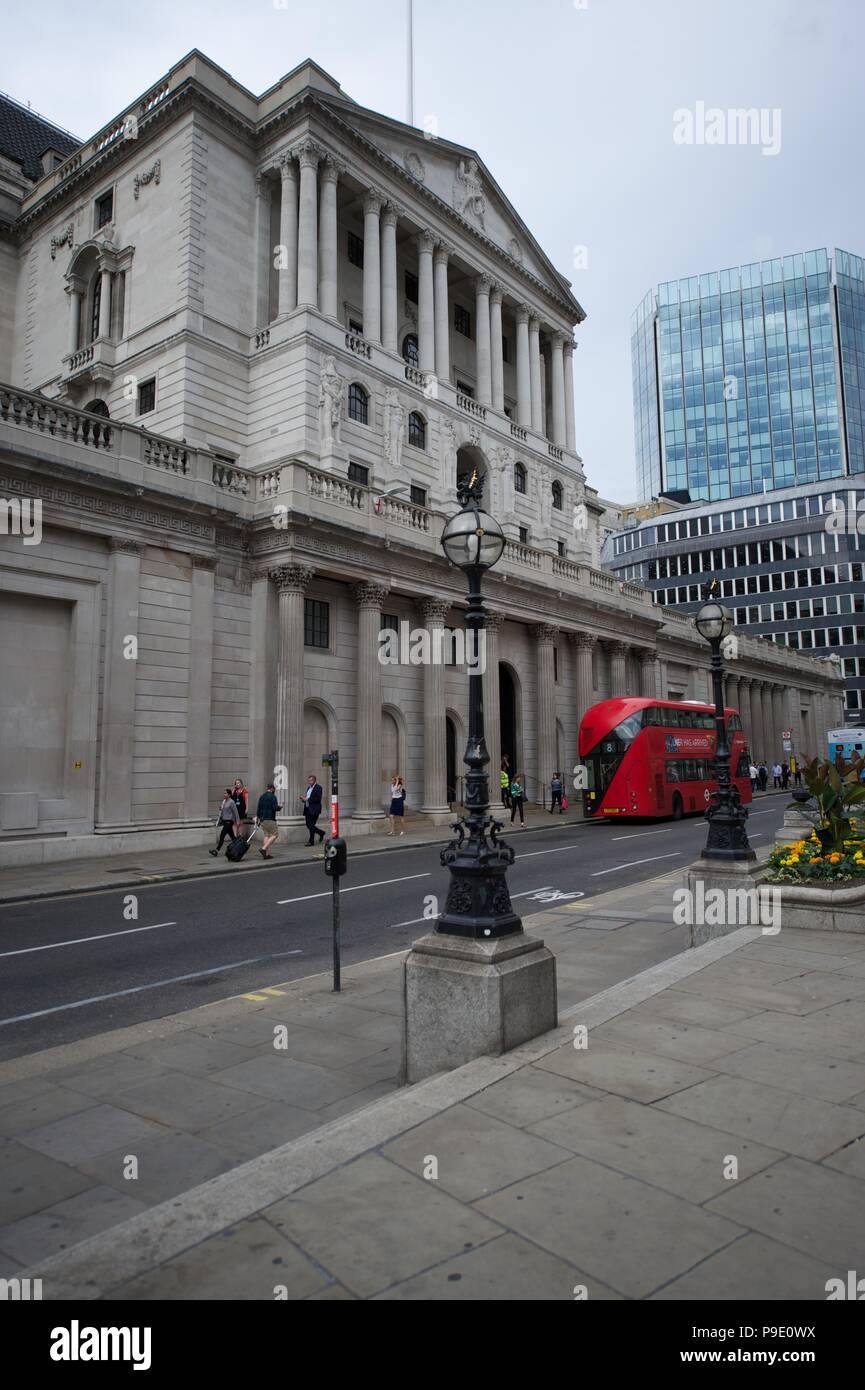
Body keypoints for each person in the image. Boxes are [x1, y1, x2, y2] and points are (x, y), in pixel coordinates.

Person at [210, 789, 240, 856]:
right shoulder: (224, 801)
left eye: (225, 793)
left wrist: (237, 821)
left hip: (229, 821)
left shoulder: (231, 802)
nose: (224, 794)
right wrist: (221, 809)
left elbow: (235, 811)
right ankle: (239, 847)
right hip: (225, 821)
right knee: (232, 837)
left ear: (229, 795)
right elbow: (224, 811)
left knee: (222, 834)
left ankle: (216, 851)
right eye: (224, 793)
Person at [256, 783, 281, 859]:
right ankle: (263, 849)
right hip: (270, 818)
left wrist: (258, 819)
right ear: (272, 789)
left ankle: (266, 854)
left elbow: (258, 808)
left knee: (267, 835)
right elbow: (274, 808)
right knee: (275, 834)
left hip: (262, 819)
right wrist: (279, 807)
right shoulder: (273, 797)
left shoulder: (262, 796)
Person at [300, 774, 326, 847]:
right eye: (309, 780)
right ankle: (321, 832)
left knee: (311, 825)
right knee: (309, 825)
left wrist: (307, 799)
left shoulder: (318, 788)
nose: (309, 782)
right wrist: (304, 799)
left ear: (314, 780)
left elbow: (318, 799)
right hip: (307, 809)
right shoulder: (308, 788)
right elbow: (308, 798)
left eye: (311, 780)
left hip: (314, 809)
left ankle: (311, 841)